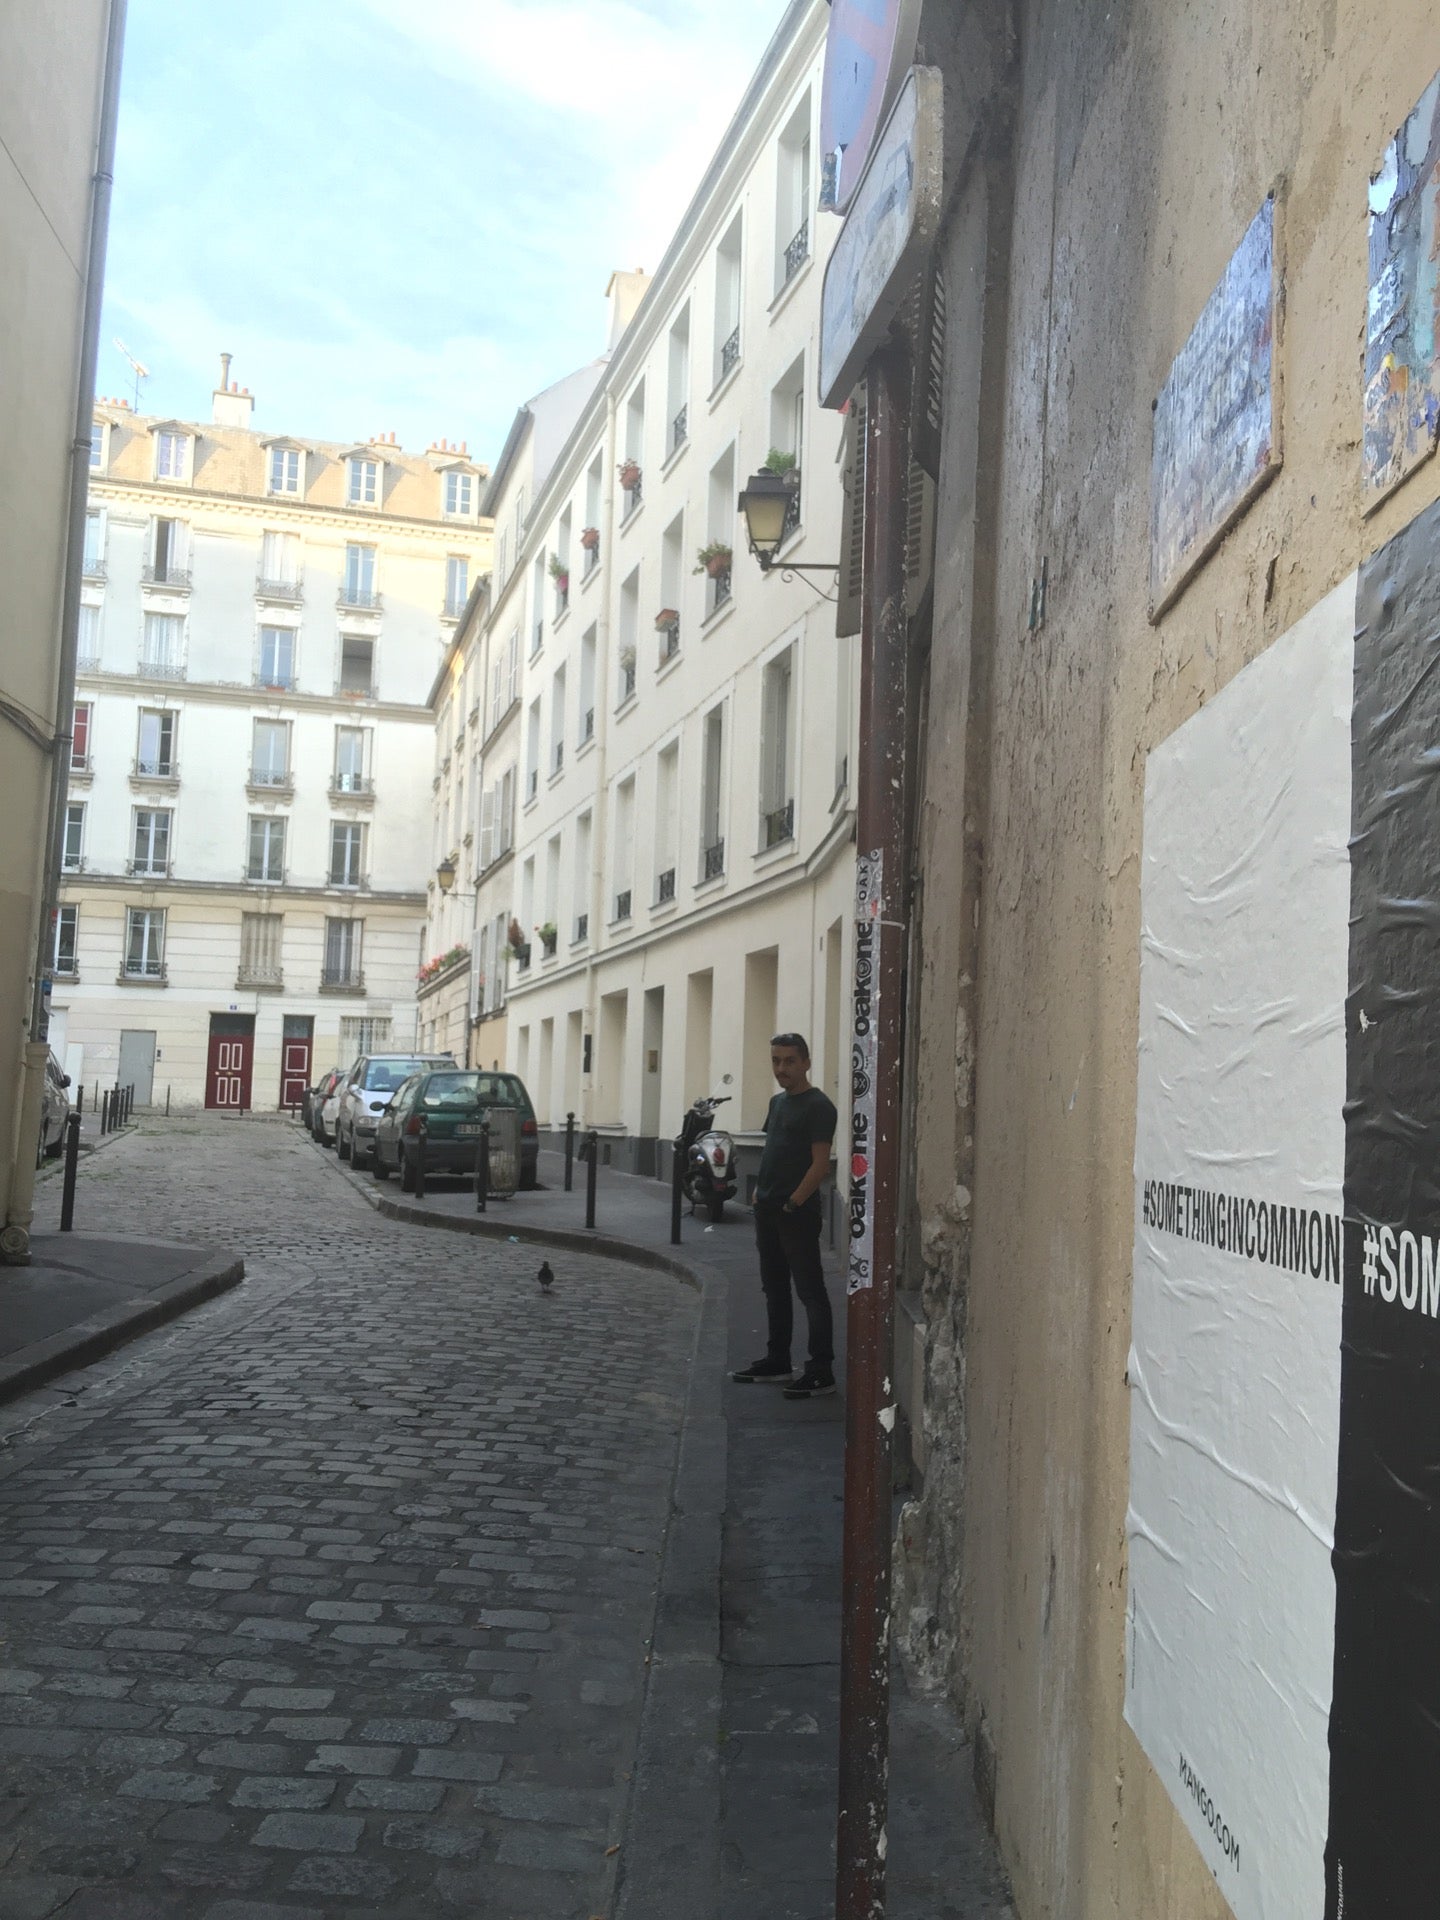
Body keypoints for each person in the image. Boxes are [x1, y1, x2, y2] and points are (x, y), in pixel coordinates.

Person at [731, 1031, 838, 1400]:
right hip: (767, 1209)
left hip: (796, 1212)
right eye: (776, 1061)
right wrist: (760, 1191)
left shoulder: (818, 1106)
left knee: (810, 1291)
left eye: (790, 1061)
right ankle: (777, 1360)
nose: (782, 1068)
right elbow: (773, 1149)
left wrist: (793, 1202)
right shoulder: (777, 1103)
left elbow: (820, 1164)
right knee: (774, 1287)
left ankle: (821, 1370)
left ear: (806, 1062)